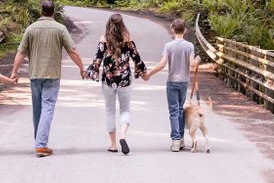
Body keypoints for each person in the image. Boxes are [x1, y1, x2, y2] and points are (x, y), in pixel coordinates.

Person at [9, 0, 87, 157]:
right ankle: (41, 144)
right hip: (52, 75)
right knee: (48, 108)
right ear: (53, 12)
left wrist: (14, 72)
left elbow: (21, 52)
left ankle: (39, 141)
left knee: (38, 110)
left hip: (35, 74)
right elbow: (72, 50)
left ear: (41, 11)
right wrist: (81, 67)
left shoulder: (31, 29)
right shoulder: (60, 28)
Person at [85, 13, 147, 155]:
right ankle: (123, 136)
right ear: (122, 24)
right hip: (125, 80)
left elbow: (97, 61)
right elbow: (137, 59)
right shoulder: (128, 40)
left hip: (108, 81)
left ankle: (113, 144)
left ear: (109, 24)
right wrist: (143, 73)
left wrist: (89, 72)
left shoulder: (104, 40)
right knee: (125, 110)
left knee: (110, 111)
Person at [142, 17, 198, 152]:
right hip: (184, 82)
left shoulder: (168, 46)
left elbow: (162, 64)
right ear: (184, 30)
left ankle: (175, 141)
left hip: (172, 81)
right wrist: (197, 60)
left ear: (172, 30)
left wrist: (149, 74)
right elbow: (193, 65)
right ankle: (182, 139)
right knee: (180, 110)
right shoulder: (189, 46)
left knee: (174, 111)